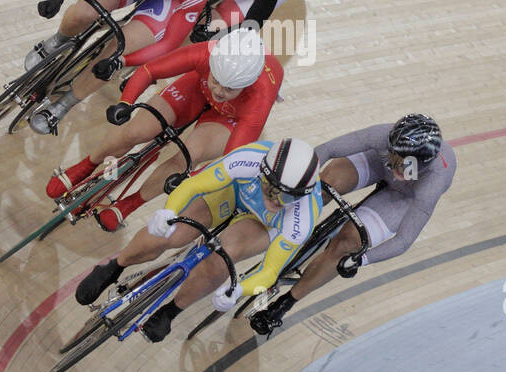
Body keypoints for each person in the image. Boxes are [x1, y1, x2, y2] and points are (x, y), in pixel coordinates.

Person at [74, 138, 324, 343]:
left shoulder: (303, 218)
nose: (275, 200)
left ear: (301, 197)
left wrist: (240, 289)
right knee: (174, 232)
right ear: (263, 171)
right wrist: (169, 211)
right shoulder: (249, 159)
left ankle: (170, 311)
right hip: (233, 192)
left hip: (261, 225)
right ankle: (116, 265)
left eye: (286, 198)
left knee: (224, 256)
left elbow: (270, 272)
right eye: (270, 189)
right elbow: (194, 186)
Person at [45, 27, 283, 231]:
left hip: (233, 116)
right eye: (217, 80)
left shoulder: (259, 98)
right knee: (135, 131)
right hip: (197, 89)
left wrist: (190, 178)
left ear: (247, 84)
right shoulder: (205, 53)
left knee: (188, 156)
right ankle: (87, 165)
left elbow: (232, 161)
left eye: (230, 88)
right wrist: (125, 103)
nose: (220, 91)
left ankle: (129, 204)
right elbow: (150, 71)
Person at [249, 114, 456, 336]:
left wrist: (361, 259)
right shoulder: (384, 136)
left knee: (347, 244)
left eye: (406, 164)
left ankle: (285, 303)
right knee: (325, 183)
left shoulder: (433, 182)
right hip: (377, 163)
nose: (398, 165)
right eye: (395, 156)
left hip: (406, 197)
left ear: (422, 164)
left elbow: (404, 241)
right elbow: (327, 150)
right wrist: (296, 179)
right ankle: (275, 229)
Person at [26, 0, 216, 135]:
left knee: (120, 49)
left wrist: (121, 61)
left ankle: (64, 104)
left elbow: (169, 43)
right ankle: (57, 40)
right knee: (84, 13)